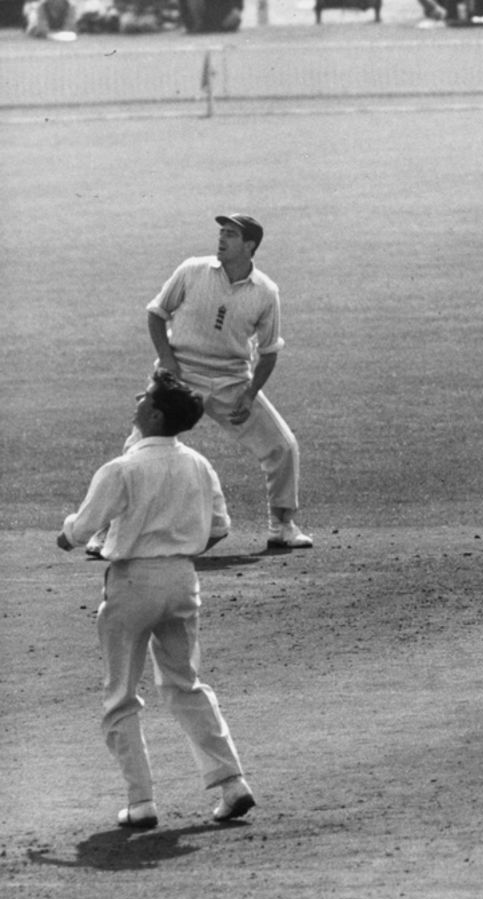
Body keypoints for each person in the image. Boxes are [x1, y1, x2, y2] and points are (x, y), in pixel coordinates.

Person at [58, 370, 256, 829]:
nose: (137, 401)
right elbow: (219, 527)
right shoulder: (198, 464)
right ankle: (232, 784)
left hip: (131, 582)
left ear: (154, 413)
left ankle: (141, 802)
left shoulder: (122, 467)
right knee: (185, 683)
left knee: (120, 695)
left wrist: (66, 536)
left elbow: (84, 528)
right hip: (184, 581)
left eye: (144, 397)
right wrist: (179, 551)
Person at [87, 213, 311, 557]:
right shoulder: (192, 270)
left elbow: (268, 352)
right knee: (136, 453)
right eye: (221, 233)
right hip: (179, 377)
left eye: (231, 235)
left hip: (231, 382)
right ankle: (106, 530)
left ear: (249, 245)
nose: (221, 239)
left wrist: (250, 395)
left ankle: (282, 525)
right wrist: (169, 362)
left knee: (283, 446)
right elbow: (157, 313)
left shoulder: (266, 292)